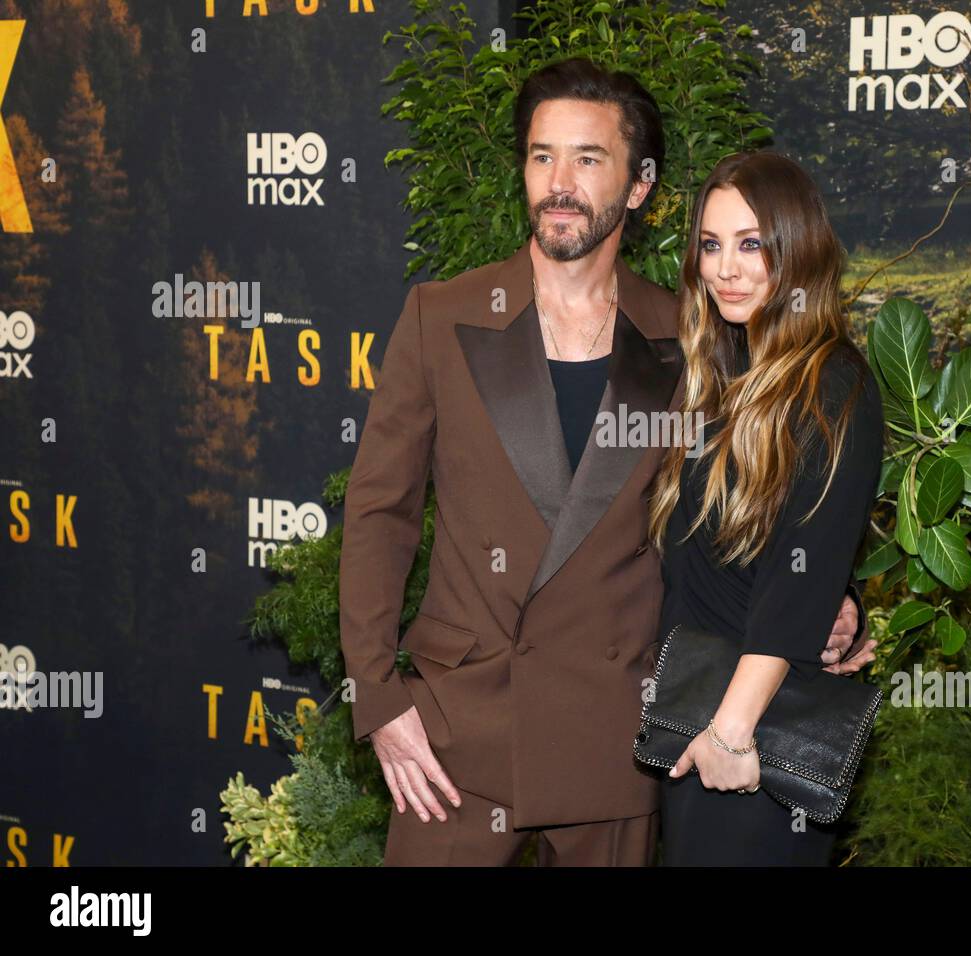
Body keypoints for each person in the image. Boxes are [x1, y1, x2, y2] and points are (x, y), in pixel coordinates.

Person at [338, 57, 877, 867]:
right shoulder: (442, 316)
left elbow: (764, 494)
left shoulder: (690, 337)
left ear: (638, 187)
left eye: (588, 159)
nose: (559, 181)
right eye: (541, 155)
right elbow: (379, 513)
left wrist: (835, 608)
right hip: (455, 735)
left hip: (618, 738)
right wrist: (379, 697)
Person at [644, 151, 885, 866]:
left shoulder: (833, 383)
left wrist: (731, 733)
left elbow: (798, 575)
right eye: (711, 246)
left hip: (752, 745)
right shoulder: (717, 379)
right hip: (694, 721)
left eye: (752, 245)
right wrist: (847, 608)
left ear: (798, 251)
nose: (726, 268)